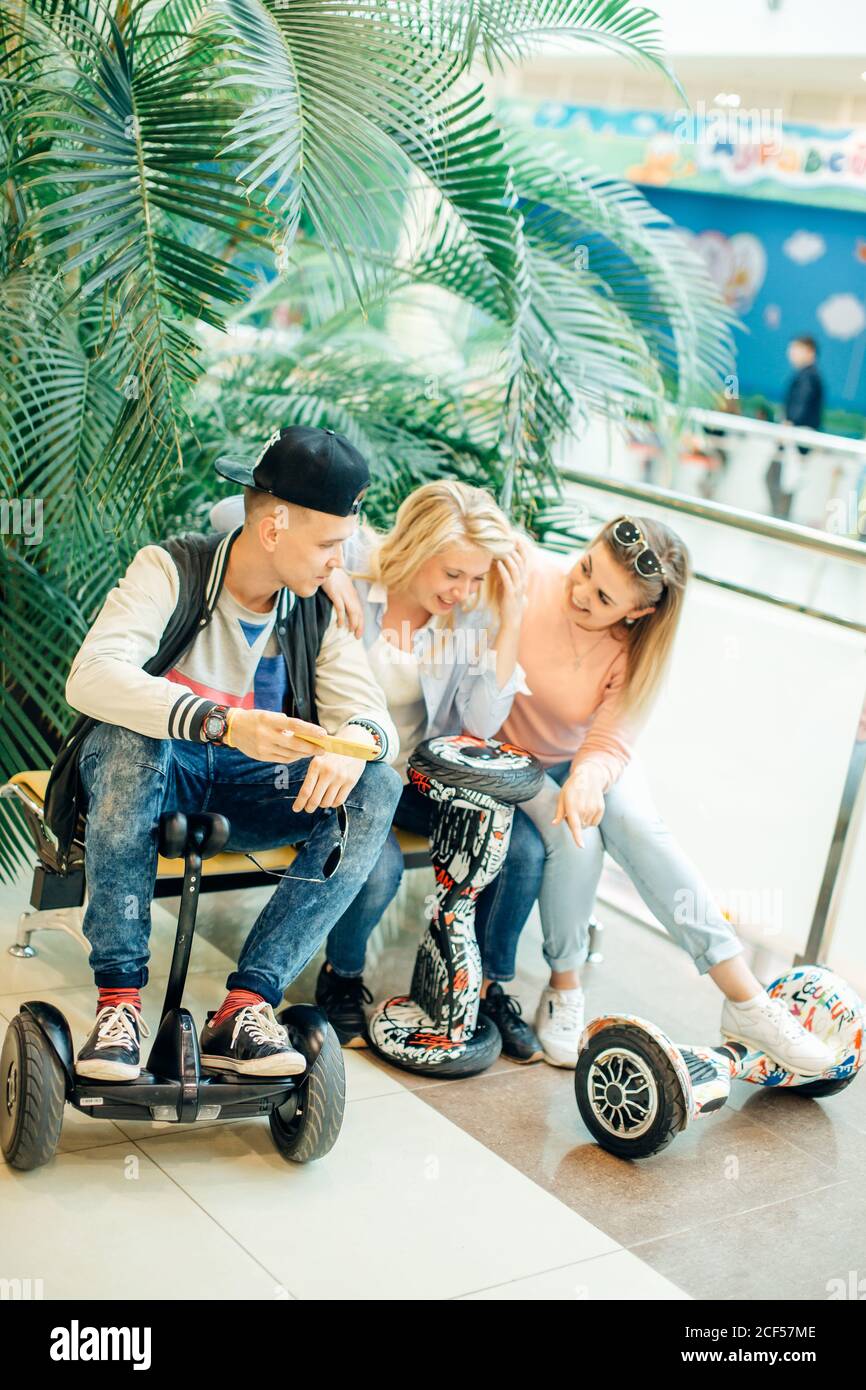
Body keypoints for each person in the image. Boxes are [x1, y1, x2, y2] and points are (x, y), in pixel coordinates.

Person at [44, 426, 402, 1082]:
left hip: (245, 789)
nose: (337, 564)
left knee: (377, 783)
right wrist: (221, 723)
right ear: (273, 530)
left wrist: (355, 748)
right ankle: (120, 1005)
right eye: (328, 546)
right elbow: (90, 677)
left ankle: (247, 1005)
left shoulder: (316, 608)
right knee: (130, 732)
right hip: (153, 774)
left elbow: (374, 719)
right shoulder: (169, 568)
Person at [477, 515, 835, 1076]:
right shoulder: (532, 572)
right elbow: (439, 531)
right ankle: (565, 984)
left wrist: (588, 779)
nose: (579, 592)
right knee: (579, 839)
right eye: (585, 567)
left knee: (640, 830)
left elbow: (609, 743)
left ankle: (748, 1001)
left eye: (602, 597)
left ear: (637, 612)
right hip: (513, 758)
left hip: (586, 760)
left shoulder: (632, 651)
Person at [210, 481, 544, 1057]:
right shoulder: (351, 555)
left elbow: (483, 724)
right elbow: (224, 512)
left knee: (521, 850)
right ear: (415, 549)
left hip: (415, 773)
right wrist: (327, 571)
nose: (464, 591)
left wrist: (509, 620)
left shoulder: (467, 617)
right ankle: (341, 977)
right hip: (333, 766)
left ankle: (488, 987)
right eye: (452, 574)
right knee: (379, 865)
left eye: (475, 577)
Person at [766, 335, 824, 519]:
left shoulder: (808, 377)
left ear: (809, 351)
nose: (790, 353)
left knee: (780, 479)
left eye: (795, 349)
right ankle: (779, 519)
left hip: (795, 438)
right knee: (782, 479)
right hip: (795, 437)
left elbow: (801, 403)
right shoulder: (808, 376)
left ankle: (779, 520)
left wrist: (789, 424)